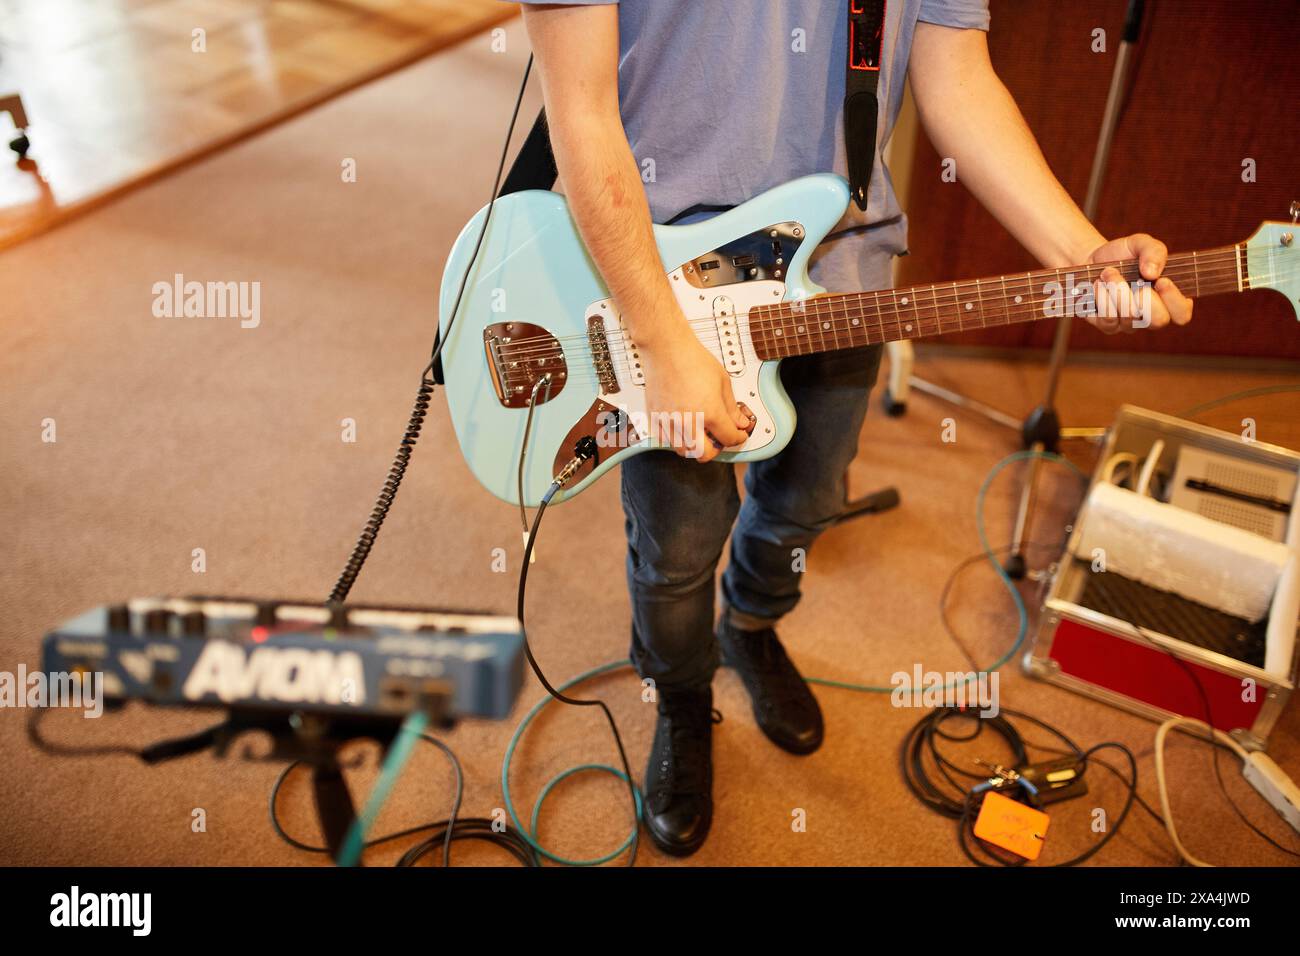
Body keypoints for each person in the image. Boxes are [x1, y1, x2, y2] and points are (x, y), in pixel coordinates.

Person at [517, 0, 1193, 856]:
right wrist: (658, 337)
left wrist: (1078, 248)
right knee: (680, 542)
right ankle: (683, 698)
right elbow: (579, 108)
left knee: (807, 499)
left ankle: (751, 627)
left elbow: (956, 76)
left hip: (844, 269)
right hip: (661, 281)